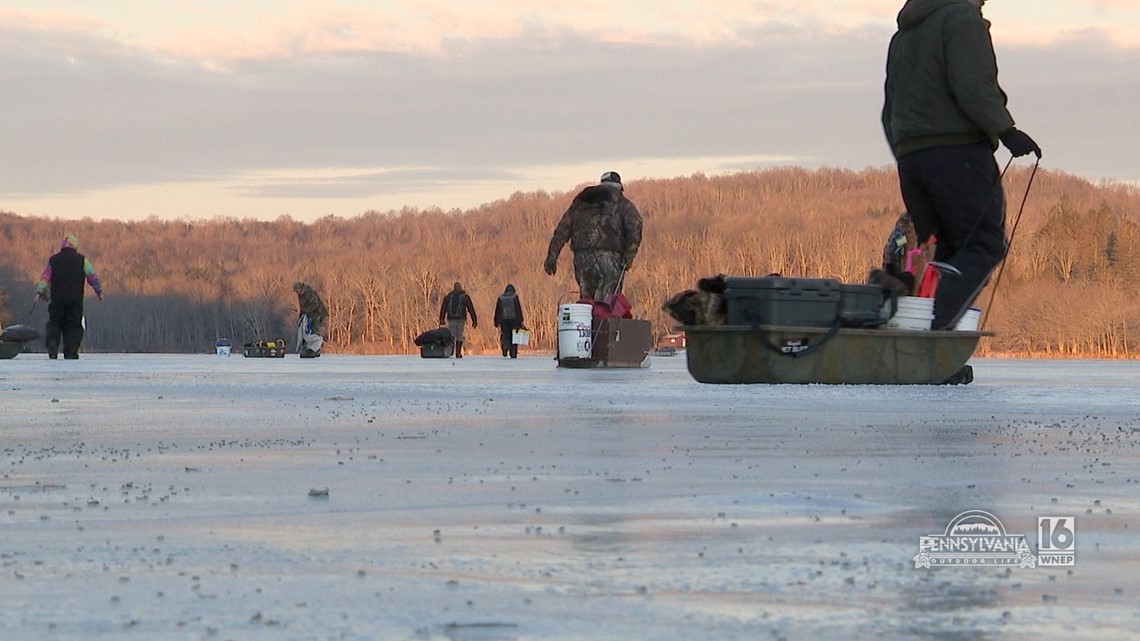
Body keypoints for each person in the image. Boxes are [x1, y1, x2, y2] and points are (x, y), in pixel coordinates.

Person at [882, 0, 1041, 331]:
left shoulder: (904, 34)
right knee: (982, 244)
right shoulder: (961, 18)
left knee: (941, 251)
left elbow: (890, 109)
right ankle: (932, 337)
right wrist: (1005, 131)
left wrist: (907, 155)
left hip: (912, 158)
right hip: (958, 151)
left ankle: (911, 336)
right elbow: (973, 83)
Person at [544, 171, 643, 301]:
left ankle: (586, 321)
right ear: (619, 187)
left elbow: (562, 230)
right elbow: (635, 226)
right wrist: (628, 257)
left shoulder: (581, 202)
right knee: (608, 304)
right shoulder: (622, 203)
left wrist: (552, 257)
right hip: (609, 258)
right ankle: (604, 321)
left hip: (582, 258)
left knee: (587, 304)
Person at [35, 233, 103, 359]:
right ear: (75, 246)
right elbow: (92, 277)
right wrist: (98, 292)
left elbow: (45, 277)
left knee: (55, 322)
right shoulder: (82, 260)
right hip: (75, 299)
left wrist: (39, 292)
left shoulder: (54, 260)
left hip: (57, 299)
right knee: (74, 325)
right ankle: (71, 352)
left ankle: (52, 343)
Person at [438, 282, 477, 358]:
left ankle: (451, 351)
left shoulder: (448, 297)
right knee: (459, 334)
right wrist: (474, 320)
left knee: (452, 334)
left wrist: (441, 319)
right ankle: (458, 353)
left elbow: (443, 308)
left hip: (451, 318)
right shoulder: (465, 297)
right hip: (461, 318)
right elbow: (470, 309)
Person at [292, 281, 327, 358]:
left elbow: (315, 304)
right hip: (309, 314)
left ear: (300, 289)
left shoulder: (309, 292)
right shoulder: (300, 295)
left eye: (297, 290)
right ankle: (310, 349)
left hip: (318, 313)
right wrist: (301, 314)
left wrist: (306, 311)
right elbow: (302, 306)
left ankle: (315, 349)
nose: (297, 293)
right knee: (306, 331)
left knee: (314, 331)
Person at [492, 284, 525, 358]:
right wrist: (521, 320)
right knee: (514, 336)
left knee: (505, 334)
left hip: (503, 321)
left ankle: (504, 346)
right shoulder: (515, 297)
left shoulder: (500, 298)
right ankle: (513, 352)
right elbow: (518, 309)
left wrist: (496, 321)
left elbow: (497, 310)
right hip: (514, 321)